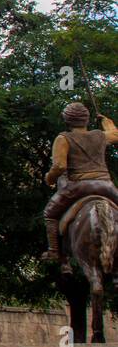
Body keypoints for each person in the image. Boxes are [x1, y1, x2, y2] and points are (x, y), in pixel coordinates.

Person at [41, 102, 118, 262]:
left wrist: (49, 177)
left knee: (49, 214)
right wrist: (106, 122)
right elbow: (115, 134)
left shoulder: (63, 138)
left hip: (79, 187)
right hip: (106, 186)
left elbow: (60, 166)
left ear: (66, 120)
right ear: (87, 119)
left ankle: (54, 251)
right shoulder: (99, 135)